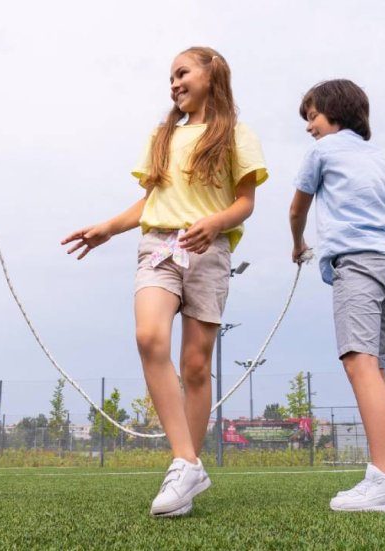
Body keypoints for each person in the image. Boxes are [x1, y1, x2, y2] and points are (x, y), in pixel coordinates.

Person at [62, 46, 268, 517]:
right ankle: (185, 461)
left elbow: (244, 203)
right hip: (159, 246)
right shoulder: (161, 136)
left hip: (209, 250)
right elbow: (151, 202)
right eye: (170, 78)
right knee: (148, 336)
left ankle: (184, 475)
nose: (174, 84)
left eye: (182, 73)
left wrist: (215, 224)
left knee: (195, 366)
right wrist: (106, 229)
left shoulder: (237, 134)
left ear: (211, 74)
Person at [288, 79, 385, 512]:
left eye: (313, 117)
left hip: (357, 263)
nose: (310, 127)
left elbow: (296, 208)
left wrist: (296, 244)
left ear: (334, 112)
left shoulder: (323, 152)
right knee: (374, 370)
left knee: (359, 364)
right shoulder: (383, 160)